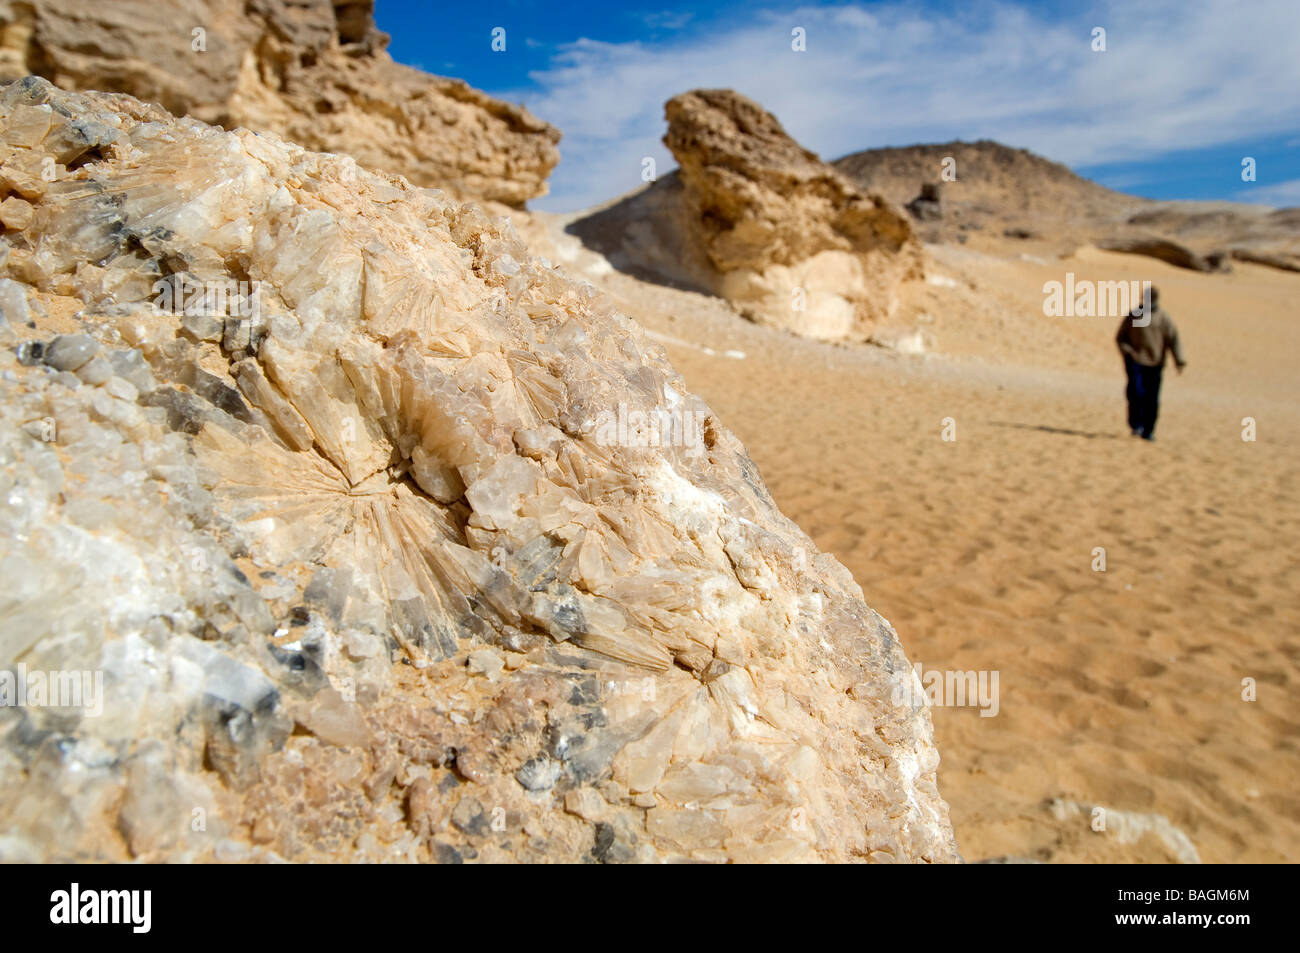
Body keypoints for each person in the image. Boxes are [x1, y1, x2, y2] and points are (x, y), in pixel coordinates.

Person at [1115, 286, 1185, 441]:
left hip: (1155, 364)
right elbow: (1121, 337)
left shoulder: (1163, 318)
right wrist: (1127, 352)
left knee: (1152, 398)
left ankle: (1149, 430)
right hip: (1135, 361)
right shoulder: (1134, 316)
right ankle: (1136, 425)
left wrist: (1179, 360)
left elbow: (1173, 339)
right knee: (1135, 393)